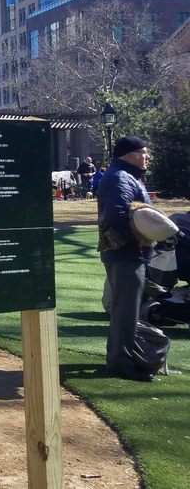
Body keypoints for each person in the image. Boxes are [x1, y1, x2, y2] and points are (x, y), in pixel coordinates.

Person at [98, 135, 154, 382]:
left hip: (128, 252)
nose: (147, 156)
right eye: (143, 152)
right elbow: (119, 216)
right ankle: (121, 361)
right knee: (125, 309)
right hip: (126, 253)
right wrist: (145, 238)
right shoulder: (121, 177)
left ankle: (122, 356)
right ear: (128, 155)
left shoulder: (125, 175)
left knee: (127, 308)